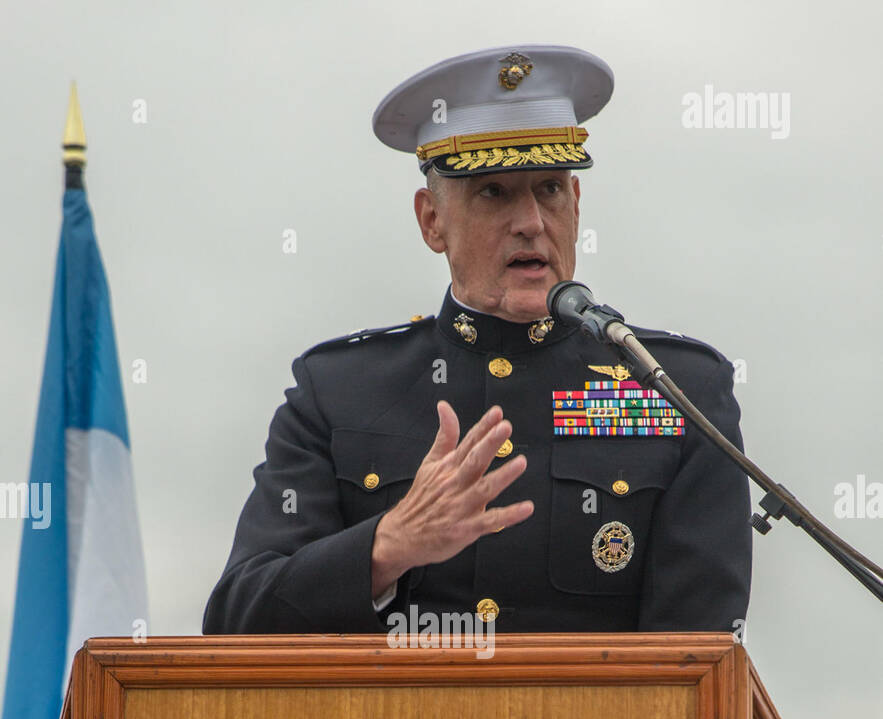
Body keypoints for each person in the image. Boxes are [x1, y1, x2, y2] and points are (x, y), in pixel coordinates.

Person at [203, 45, 751, 637]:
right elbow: (238, 620)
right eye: (494, 193)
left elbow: (699, 667)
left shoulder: (676, 392)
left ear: (576, 204)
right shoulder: (336, 392)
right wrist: (387, 547)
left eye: (549, 190)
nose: (532, 222)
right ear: (431, 222)